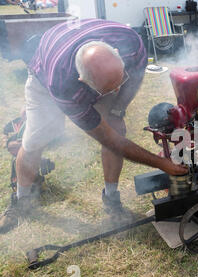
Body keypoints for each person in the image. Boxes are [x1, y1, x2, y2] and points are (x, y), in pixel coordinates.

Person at [0, 19, 187, 234]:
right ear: (83, 81)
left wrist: (118, 108)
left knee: (117, 126)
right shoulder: (62, 84)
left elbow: (134, 78)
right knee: (36, 139)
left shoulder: (131, 43)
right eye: (109, 89)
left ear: (117, 54)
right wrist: (161, 164)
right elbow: (109, 140)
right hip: (44, 75)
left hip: (84, 61)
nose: (116, 90)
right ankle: (21, 201)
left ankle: (112, 198)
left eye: (119, 81)